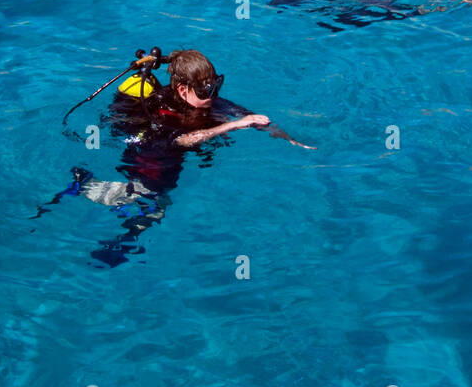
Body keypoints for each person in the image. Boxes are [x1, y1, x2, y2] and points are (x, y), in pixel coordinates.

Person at [39, 49, 311, 266]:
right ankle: (89, 191)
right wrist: (230, 126)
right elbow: (180, 141)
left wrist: (289, 138)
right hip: (151, 154)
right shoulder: (163, 110)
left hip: (171, 157)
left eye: (216, 87)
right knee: (154, 203)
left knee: (155, 202)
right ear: (182, 90)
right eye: (205, 92)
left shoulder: (207, 101)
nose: (213, 96)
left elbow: (254, 119)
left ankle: (89, 188)